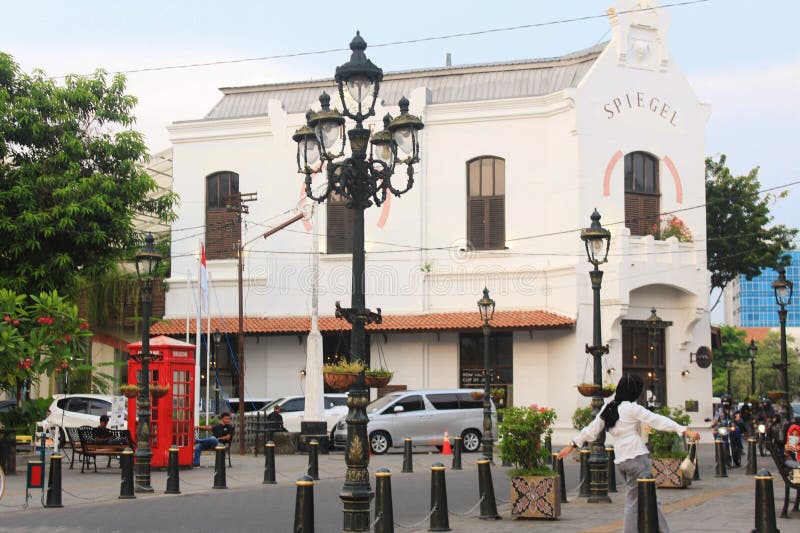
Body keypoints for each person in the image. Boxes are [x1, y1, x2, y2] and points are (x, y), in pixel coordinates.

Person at [557, 374, 699, 533]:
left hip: (621, 460)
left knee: (646, 499)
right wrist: (684, 430)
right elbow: (657, 420)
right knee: (638, 501)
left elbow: (591, 430)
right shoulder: (632, 408)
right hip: (637, 457)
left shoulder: (608, 407)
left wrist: (572, 444)